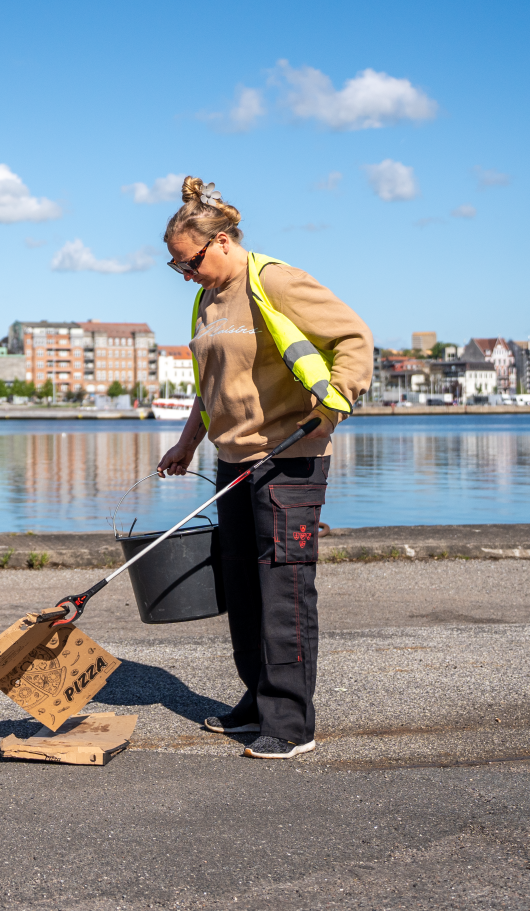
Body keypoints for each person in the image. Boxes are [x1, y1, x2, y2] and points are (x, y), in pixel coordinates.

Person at [156, 177, 372, 759]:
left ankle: (290, 722)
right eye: (177, 268)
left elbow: (354, 337)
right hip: (233, 459)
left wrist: (338, 398)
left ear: (221, 241)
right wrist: (186, 443)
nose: (186, 275)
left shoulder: (271, 279)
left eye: (190, 263)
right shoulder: (207, 299)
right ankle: (256, 701)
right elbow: (212, 387)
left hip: (290, 457)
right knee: (244, 590)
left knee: (284, 589)